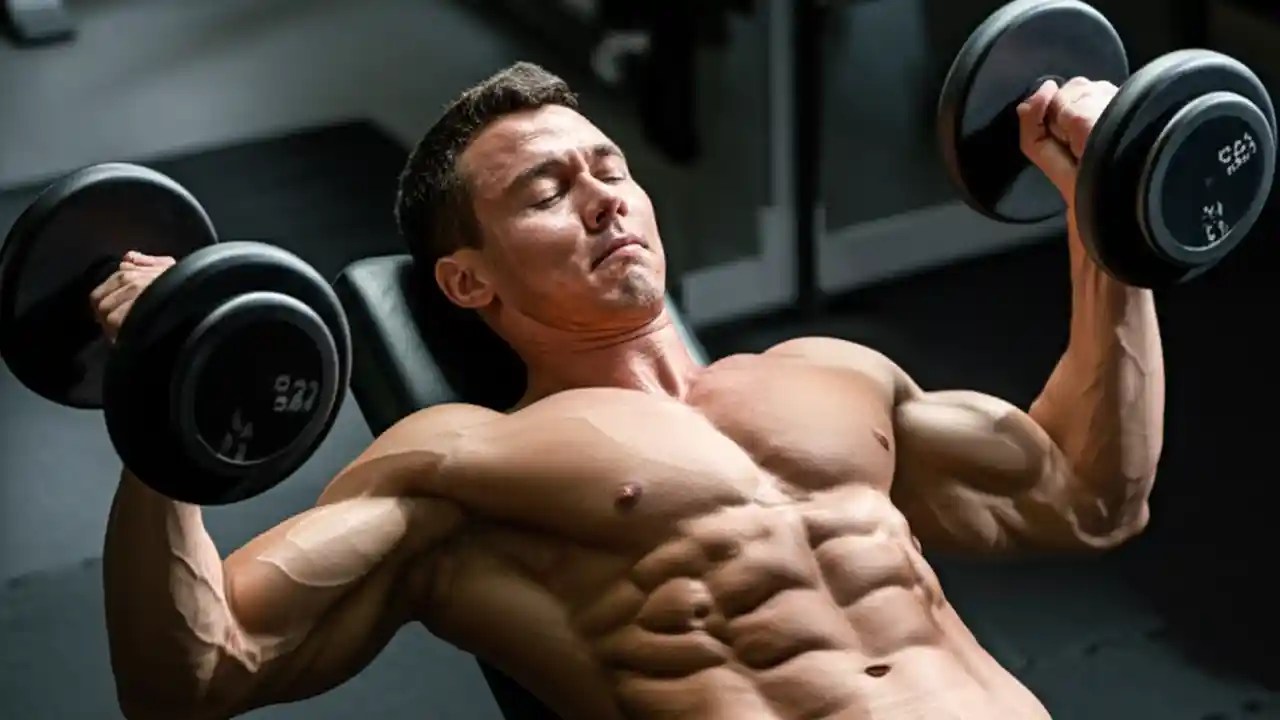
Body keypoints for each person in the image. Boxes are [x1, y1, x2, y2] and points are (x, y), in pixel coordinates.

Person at [92, 62, 1163, 720]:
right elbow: (195, 675)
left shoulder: (831, 377)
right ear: (467, 280)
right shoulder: (465, 459)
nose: (603, 201)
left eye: (610, 170)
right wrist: (159, 380)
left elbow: (1087, 494)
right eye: (547, 192)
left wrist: (1100, 206)